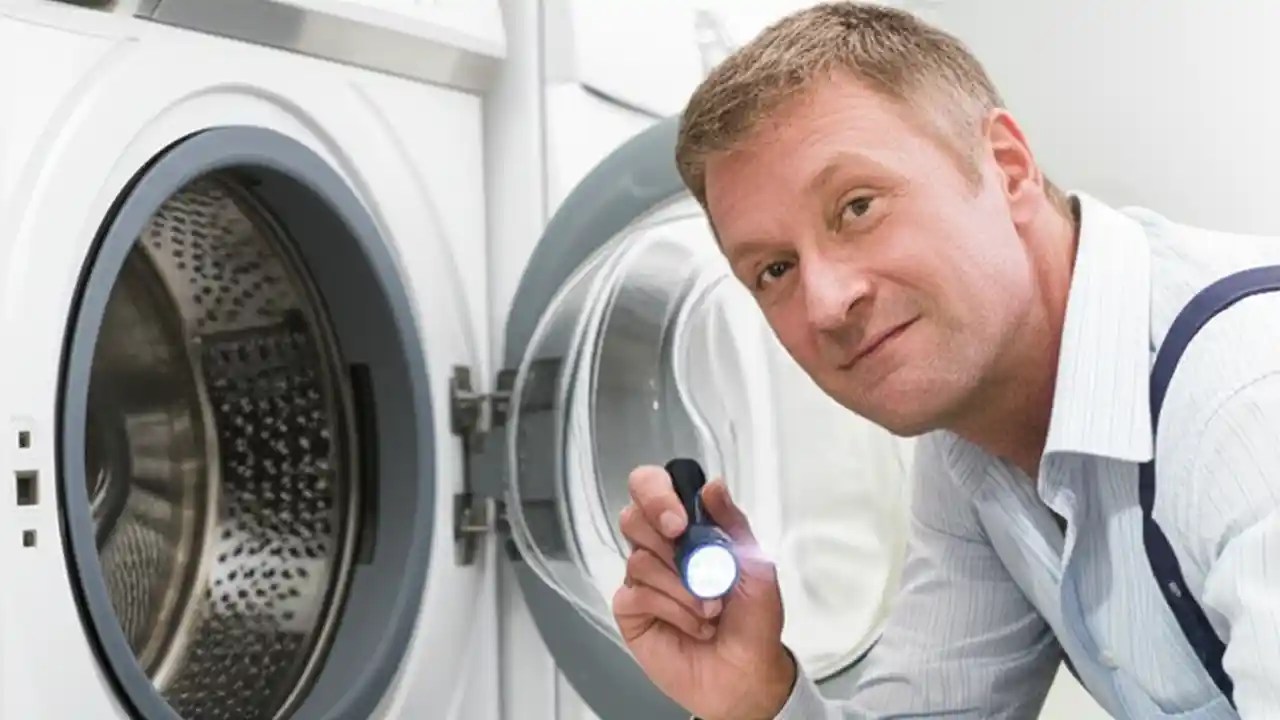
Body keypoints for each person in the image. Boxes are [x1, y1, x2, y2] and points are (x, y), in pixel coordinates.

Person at [611, 3, 1280, 719]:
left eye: (857, 207)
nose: (825, 304)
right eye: (774, 270)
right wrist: (756, 698)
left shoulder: (1245, 402)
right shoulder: (972, 445)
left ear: (1009, 169)